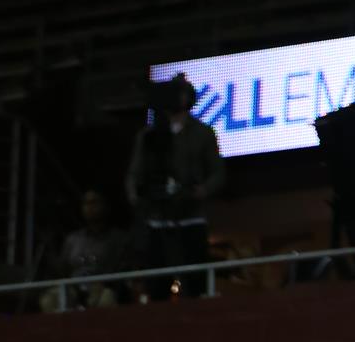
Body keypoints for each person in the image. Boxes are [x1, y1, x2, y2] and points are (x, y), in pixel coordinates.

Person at [126, 74, 224, 300]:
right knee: (157, 285)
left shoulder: (203, 133)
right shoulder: (149, 136)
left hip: (191, 218)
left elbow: (218, 173)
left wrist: (201, 191)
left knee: (195, 283)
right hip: (157, 219)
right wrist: (137, 199)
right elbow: (134, 174)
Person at [40, 189, 124, 310]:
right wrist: (50, 248)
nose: (89, 207)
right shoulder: (73, 239)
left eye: (94, 202)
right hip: (73, 287)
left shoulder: (117, 238)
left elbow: (120, 267)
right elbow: (62, 270)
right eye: (86, 203)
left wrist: (105, 283)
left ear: (106, 206)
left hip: (102, 286)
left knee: (106, 299)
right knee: (49, 300)